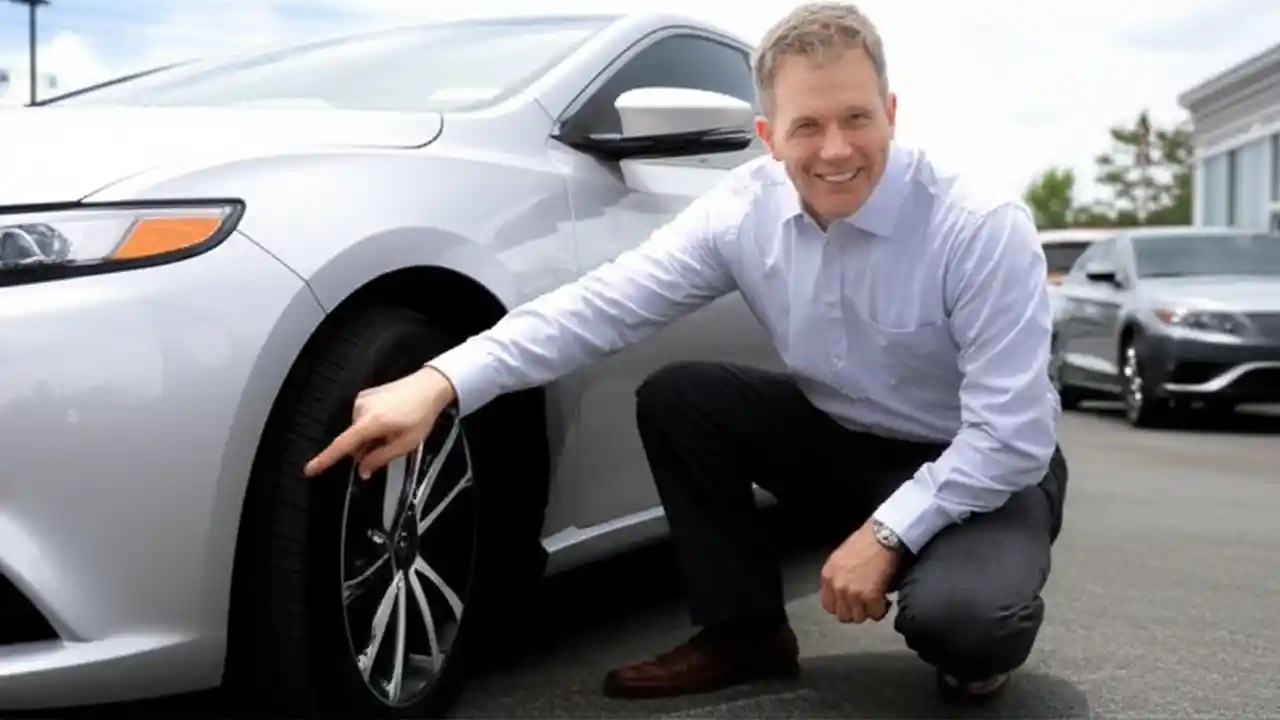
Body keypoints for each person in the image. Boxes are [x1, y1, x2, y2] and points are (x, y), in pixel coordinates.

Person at [304, 0, 1068, 705]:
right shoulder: (742, 211)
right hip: (840, 442)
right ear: (768, 138)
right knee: (682, 397)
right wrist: (442, 380)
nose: (836, 151)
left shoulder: (977, 224)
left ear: (892, 115)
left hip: (981, 464)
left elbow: (1013, 436)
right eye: (807, 127)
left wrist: (887, 533)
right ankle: (745, 635)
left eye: (856, 119)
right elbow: (600, 305)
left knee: (967, 627)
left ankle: (964, 617)